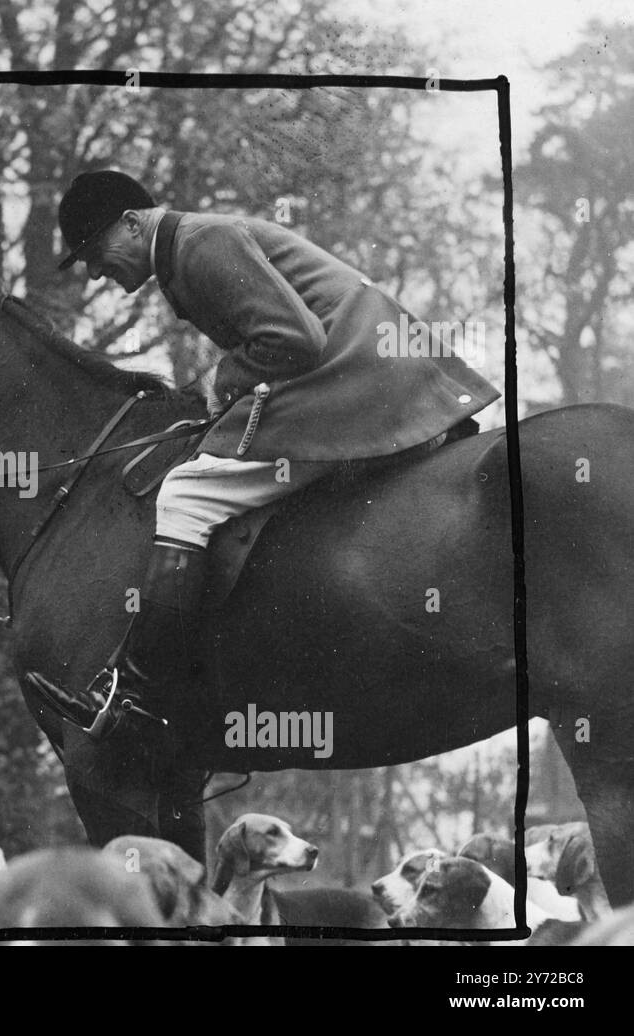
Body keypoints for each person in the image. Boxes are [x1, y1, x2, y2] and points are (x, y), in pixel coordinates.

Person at [55, 169, 500, 722]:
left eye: (95, 253)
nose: (96, 273)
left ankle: (139, 692)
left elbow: (294, 339)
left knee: (185, 497)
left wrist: (220, 382)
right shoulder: (185, 248)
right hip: (370, 366)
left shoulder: (200, 244)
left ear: (131, 222)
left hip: (352, 370)